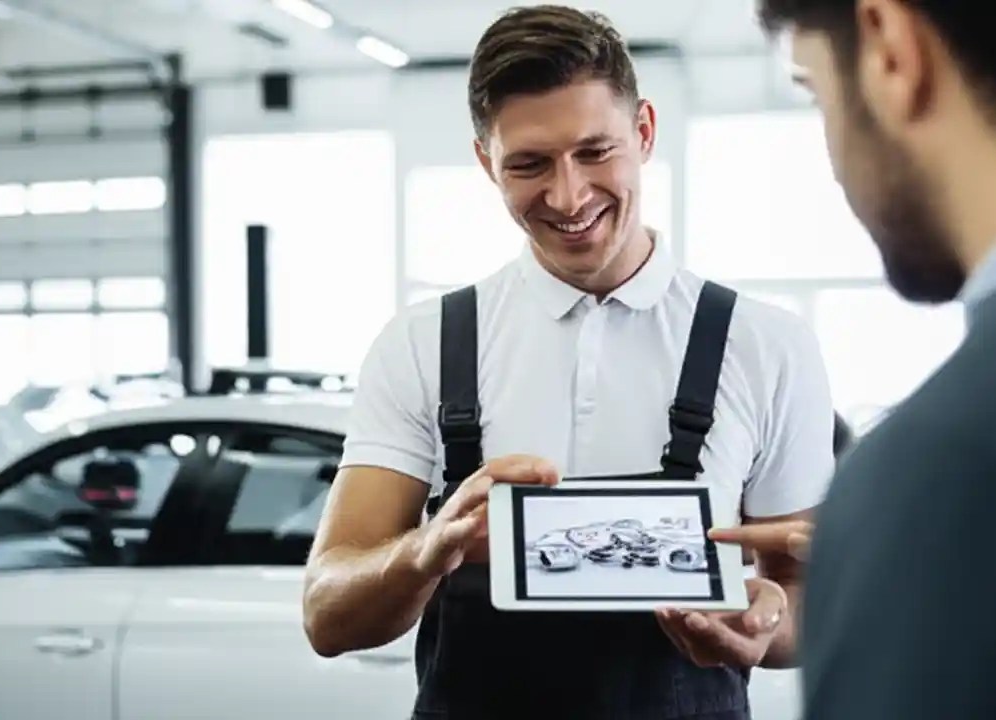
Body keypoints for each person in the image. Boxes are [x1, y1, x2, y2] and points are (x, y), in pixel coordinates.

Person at [302, 5, 836, 718]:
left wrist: (768, 624)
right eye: (529, 164)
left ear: (644, 132)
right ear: (486, 162)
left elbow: (808, 602)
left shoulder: (767, 346)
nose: (568, 195)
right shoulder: (422, 344)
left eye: (595, 152)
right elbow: (328, 617)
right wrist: (433, 546)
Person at [708, 1, 996, 718]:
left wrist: (884, 551)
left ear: (891, 49)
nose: (833, 161)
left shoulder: (949, 469)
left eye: (815, 90)